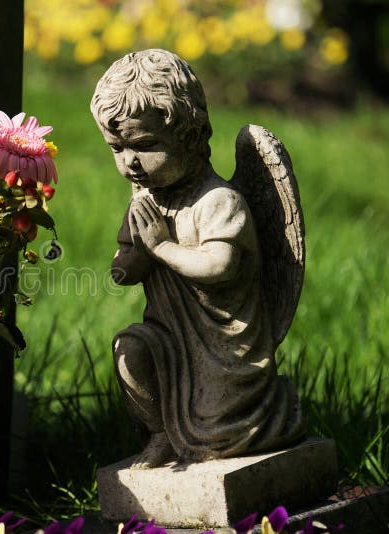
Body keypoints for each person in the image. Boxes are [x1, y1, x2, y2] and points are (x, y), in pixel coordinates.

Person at [91, 49, 304, 469]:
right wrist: (128, 262)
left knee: (221, 423)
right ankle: (162, 435)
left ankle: (248, 425)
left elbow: (218, 267)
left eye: (145, 146)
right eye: (117, 148)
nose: (129, 162)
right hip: (169, 337)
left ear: (189, 137)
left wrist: (161, 248)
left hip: (225, 351)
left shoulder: (220, 202)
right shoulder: (146, 200)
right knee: (129, 349)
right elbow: (128, 263)